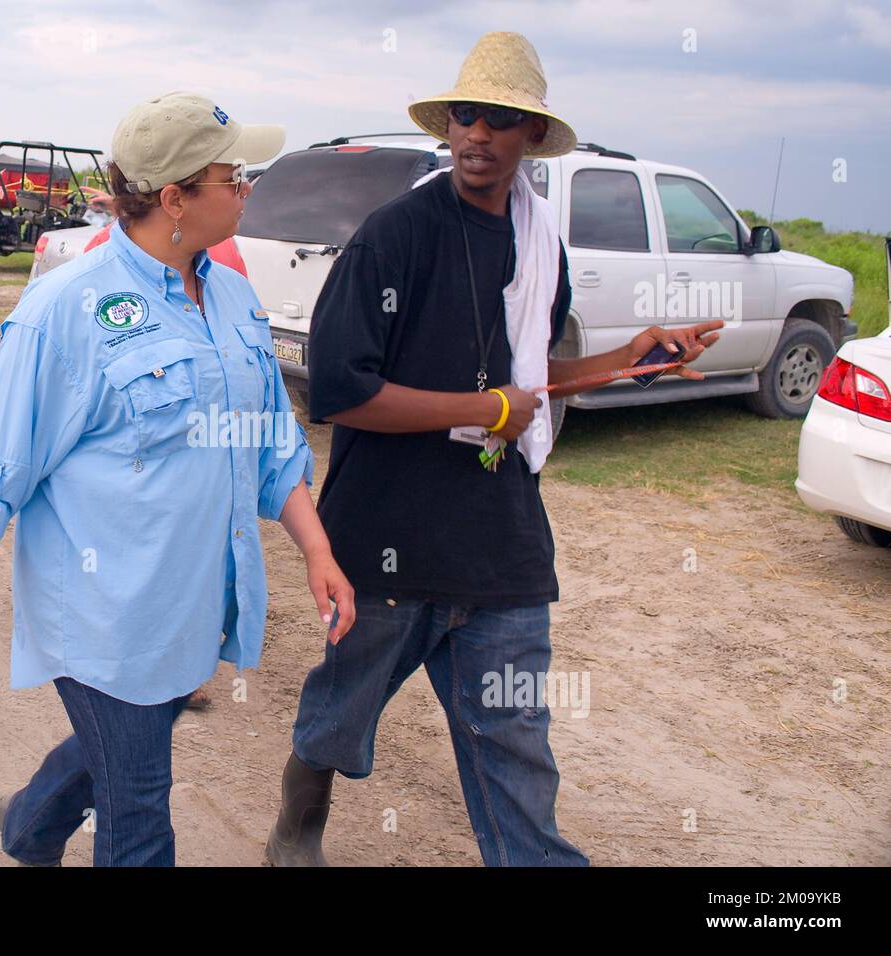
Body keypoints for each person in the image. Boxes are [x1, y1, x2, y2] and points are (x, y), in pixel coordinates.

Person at [265, 32, 723, 867]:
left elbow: (529, 375)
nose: (478, 132)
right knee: (342, 707)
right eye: (465, 115)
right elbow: (340, 388)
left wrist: (629, 359)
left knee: (513, 745)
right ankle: (295, 831)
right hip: (387, 533)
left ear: (532, 137)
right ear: (448, 127)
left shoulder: (540, 242)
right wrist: (485, 406)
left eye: (501, 119)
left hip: (497, 533)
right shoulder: (393, 235)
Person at [0, 91, 356, 867]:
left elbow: (273, 440)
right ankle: (50, 830)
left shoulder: (234, 296)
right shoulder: (67, 309)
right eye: (231, 176)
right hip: (107, 613)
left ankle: (29, 828)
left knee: (121, 748)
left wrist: (316, 550)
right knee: (139, 815)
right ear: (174, 198)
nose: (246, 188)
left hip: (194, 599)